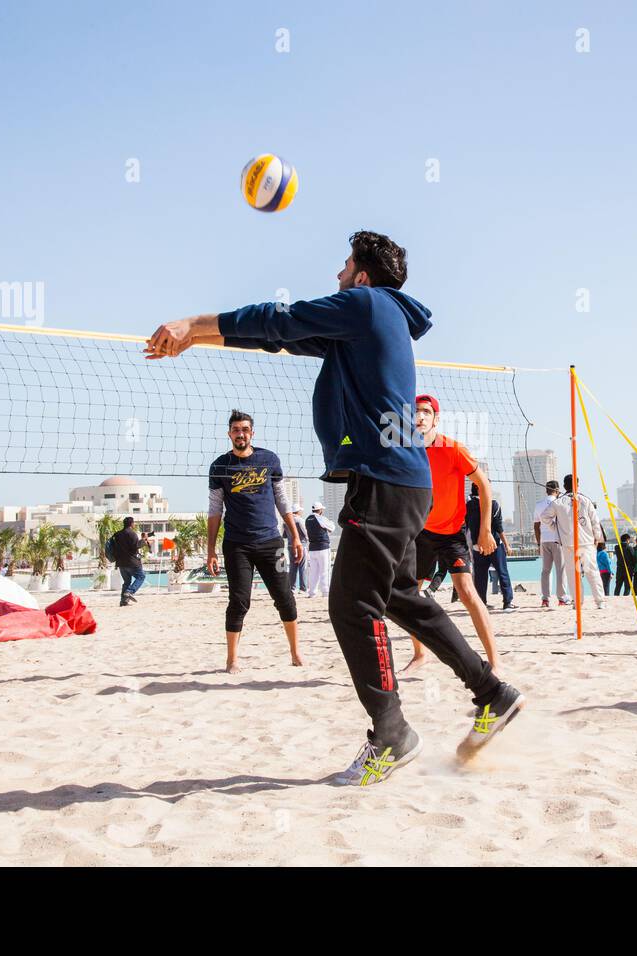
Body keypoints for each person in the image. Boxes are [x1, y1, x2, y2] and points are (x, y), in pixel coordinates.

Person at [145, 230, 521, 785]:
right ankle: (493, 693)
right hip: (402, 480)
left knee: (349, 605)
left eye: (345, 266)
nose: (339, 275)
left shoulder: (365, 304)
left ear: (362, 276)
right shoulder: (369, 323)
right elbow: (280, 338)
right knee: (396, 596)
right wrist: (199, 340)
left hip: (385, 479)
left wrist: (192, 323)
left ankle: (392, 734)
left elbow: (281, 316)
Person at [406, 394, 501, 671]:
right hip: (419, 532)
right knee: (409, 594)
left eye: (425, 412)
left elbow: (484, 486)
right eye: (415, 412)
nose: (419, 417)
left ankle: (495, 662)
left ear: (436, 418)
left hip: (451, 532)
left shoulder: (453, 448)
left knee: (468, 592)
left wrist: (485, 531)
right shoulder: (406, 450)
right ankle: (419, 654)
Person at [205, 409, 303, 673]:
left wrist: (295, 536)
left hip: (271, 541)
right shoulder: (220, 466)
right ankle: (232, 660)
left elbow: (282, 500)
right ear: (229, 434)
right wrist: (211, 550)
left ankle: (295, 653)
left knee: (285, 597)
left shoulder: (269, 459)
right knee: (239, 601)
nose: (241, 434)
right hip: (237, 545)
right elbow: (215, 510)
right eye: (236, 430)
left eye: (245, 429)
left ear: (252, 433)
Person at [543, 474, 606, 609]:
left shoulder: (558, 502)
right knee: (591, 572)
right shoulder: (585, 500)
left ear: (564, 486)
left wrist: (556, 529)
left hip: (568, 542)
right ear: (577, 485)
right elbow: (595, 521)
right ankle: (600, 602)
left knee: (573, 575)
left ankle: (578, 603)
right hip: (586, 542)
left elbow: (544, 517)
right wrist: (597, 538)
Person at [467, 484, 515, 611]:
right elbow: (498, 526)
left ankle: (481, 603)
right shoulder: (493, 504)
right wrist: (507, 544)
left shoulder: (468, 505)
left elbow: (466, 526)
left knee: (480, 577)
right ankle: (507, 602)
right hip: (494, 544)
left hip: (478, 546)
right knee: (502, 572)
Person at [533, 479, 569, 608]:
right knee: (560, 570)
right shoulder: (559, 503)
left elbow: (536, 526)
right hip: (557, 540)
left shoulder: (538, 504)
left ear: (546, 490)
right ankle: (562, 598)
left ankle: (545, 599)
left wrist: (538, 543)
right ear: (557, 490)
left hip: (544, 540)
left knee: (545, 571)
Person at [109, 517, 149, 607]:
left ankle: (123, 601)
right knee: (141, 576)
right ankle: (130, 592)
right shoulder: (132, 534)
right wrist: (144, 540)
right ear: (131, 524)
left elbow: (114, 547)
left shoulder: (117, 534)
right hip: (132, 561)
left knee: (127, 581)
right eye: (133, 523)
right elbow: (135, 546)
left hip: (121, 562)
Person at [303, 502, 335, 598]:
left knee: (313, 572)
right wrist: (330, 524)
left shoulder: (307, 519)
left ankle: (312, 593)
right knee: (325, 571)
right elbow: (332, 528)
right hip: (323, 548)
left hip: (312, 549)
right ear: (320, 510)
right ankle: (325, 593)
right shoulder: (321, 518)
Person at [282, 506, 309, 594]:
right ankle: (303, 588)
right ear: (298, 511)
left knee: (293, 568)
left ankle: (292, 588)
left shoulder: (286, 521)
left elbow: (284, 535)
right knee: (302, 567)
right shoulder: (299, 520)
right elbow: (305, 533)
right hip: (301, 545)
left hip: (290, 546)